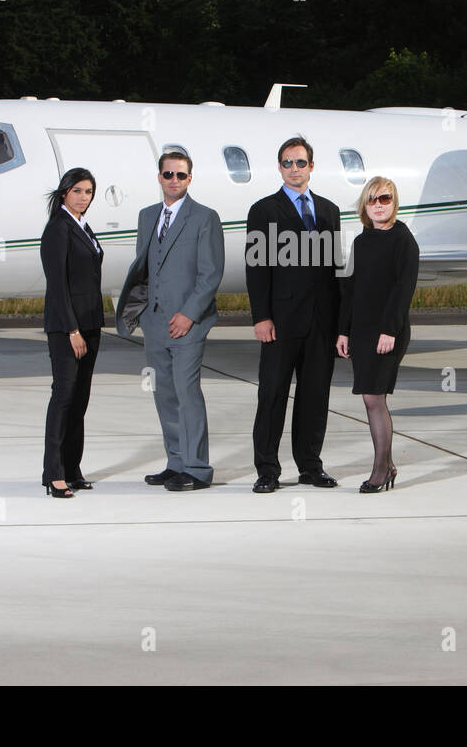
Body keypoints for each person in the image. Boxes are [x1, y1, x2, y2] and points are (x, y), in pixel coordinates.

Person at [116, 149, 225, 491]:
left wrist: (189, 314)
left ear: (189, 179)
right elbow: (145, 267)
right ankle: (175, 461)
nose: (174, 180)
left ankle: (196, 469)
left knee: (186, 390)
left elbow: (211, 274)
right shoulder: (147, 216)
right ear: (159, 177)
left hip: (188, 324)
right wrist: (143, 312)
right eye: (168, 174)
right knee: (163, 393)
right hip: (155, 322)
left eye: (180, 175)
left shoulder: (205, 217)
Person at [245, 136, 342, 493]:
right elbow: (257, 268)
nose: (294, 169)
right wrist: (261, 316)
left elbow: (335, 270)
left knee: (315, 397)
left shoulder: (329, 211)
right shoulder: (264, 210)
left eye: (300, 163)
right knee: (272, 395)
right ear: (280, 167)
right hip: (280, 323)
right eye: (287, 163)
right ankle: (267, 469)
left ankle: (310, 466)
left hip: (321, 322)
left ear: (311, 167)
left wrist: (340, 325)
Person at [336, 177, 419, 493]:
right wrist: (343, 331)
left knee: (374, 397)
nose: (379, 205)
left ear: (394, 202)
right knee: (371, 398)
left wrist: (390, 330)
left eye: (385, 199)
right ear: (365, 206)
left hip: (387, 331)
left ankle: (381, 469)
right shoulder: (362, 241)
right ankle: (387, 465)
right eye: (372, 200)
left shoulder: (403, 241)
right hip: (361, 331)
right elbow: (351, 289)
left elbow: (403, 290)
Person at [40, 167, 105, 498]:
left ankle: (72, 468)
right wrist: (72, 330)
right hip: (68, 328)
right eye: (78, 191)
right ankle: (53, 473)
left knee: (79, 400)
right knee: (63, 397)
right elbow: (58, 286)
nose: (84, 197)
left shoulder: (82, 226)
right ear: (64, 192)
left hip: (91, 325)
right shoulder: (58, 229)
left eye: (89, 192)